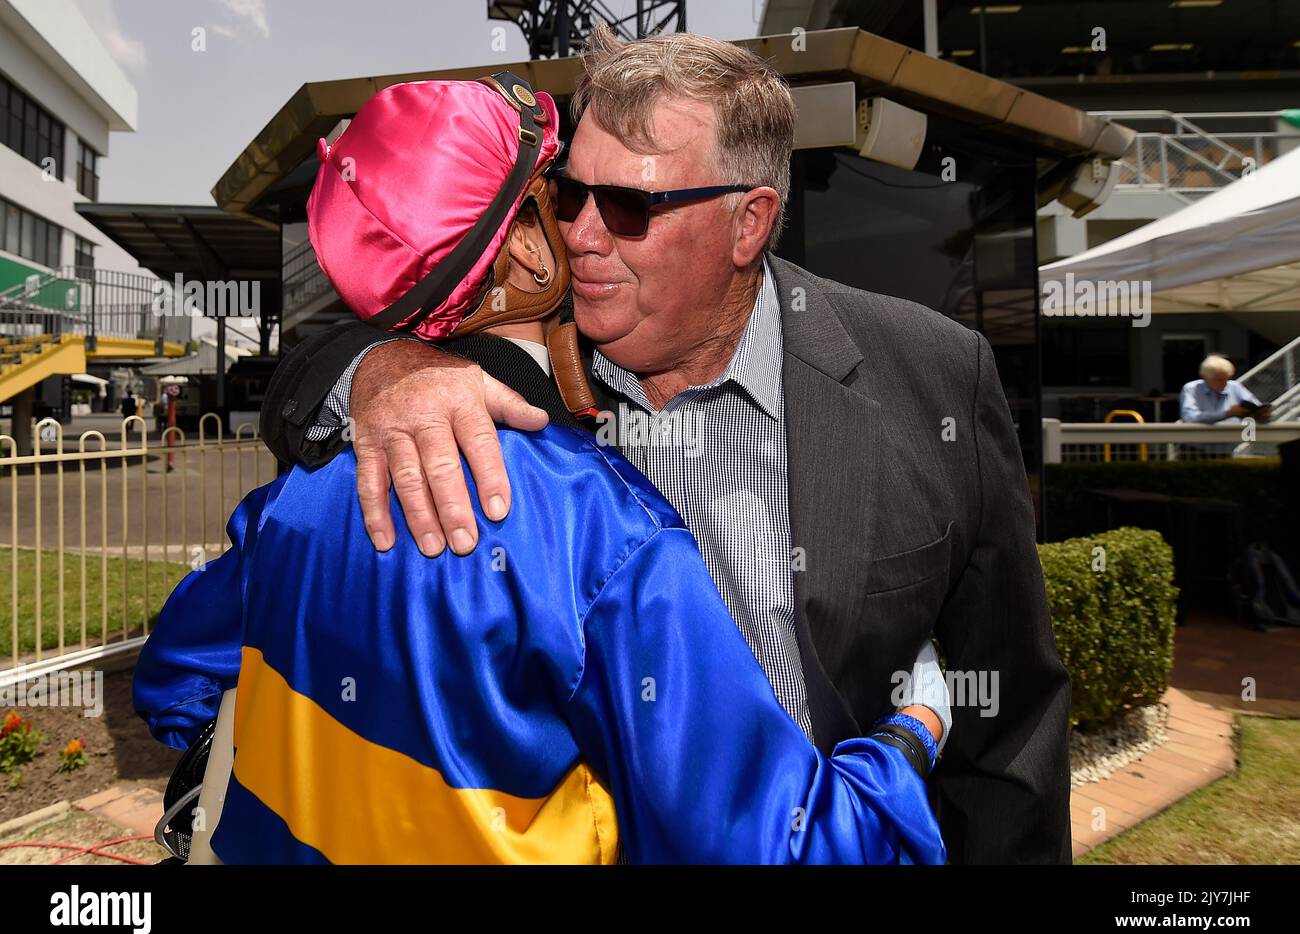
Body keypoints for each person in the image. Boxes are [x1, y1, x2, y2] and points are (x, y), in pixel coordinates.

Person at [259, 27, 1071, 864]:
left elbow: (1010, 730)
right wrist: (378, 369)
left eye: (629, 207)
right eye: (568, 195)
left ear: (748, 222)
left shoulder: (933, 375)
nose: (579, 234)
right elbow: (309, 381)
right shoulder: (509, 368)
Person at [134, 73, 946, 865]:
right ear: (525, 243)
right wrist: (911, 734)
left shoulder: (289, 503)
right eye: (560, 195)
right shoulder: (607, 534)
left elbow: (174, 680)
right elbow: (784, 843)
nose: (587, 228)